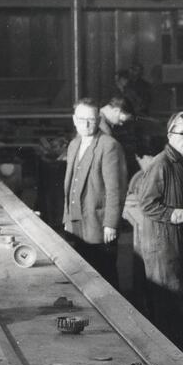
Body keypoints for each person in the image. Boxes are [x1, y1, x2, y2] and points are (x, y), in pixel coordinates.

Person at [128, 109, 183, 347]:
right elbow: (147, 205)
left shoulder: (180, 162)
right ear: (170, 135)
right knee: (166, 310)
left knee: (173, 307)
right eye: (182, 134)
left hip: (173, 243)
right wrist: (181, 215)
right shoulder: (161, 164)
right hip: (161, 247)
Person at [60, 98, 128, 284]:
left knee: (104, 281)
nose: (86, 124)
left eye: (91, 119)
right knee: (80, 280)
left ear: (98, 119)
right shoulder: (74, 144)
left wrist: (111, 224)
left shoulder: (109, 146)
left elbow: (116, 189)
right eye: (82, 119)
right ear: (74, 120)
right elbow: (70, 185)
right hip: (75, 223)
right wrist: (67, 218)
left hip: (99, 226)